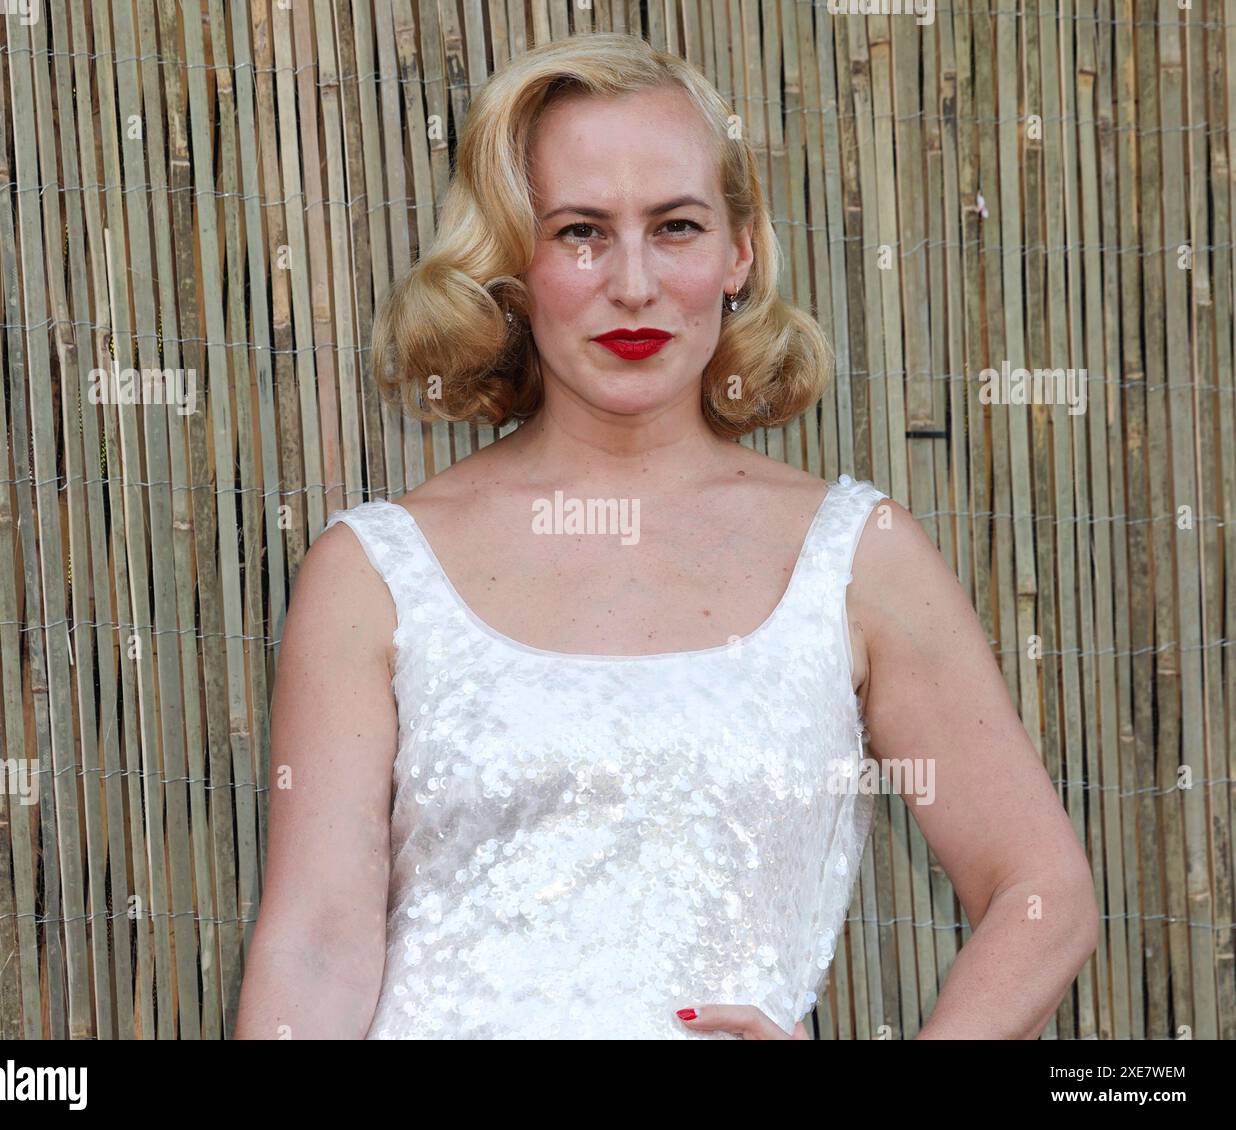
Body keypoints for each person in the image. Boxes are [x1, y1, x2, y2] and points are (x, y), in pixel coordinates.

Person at [235, 32, 1097, 1040]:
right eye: (580, 232)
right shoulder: (373, 572)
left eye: (676, 226)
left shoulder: (858, 556)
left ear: (738, 251)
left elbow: (1044, 894)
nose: (633, 284)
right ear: (511, 262)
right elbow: (317, 944)